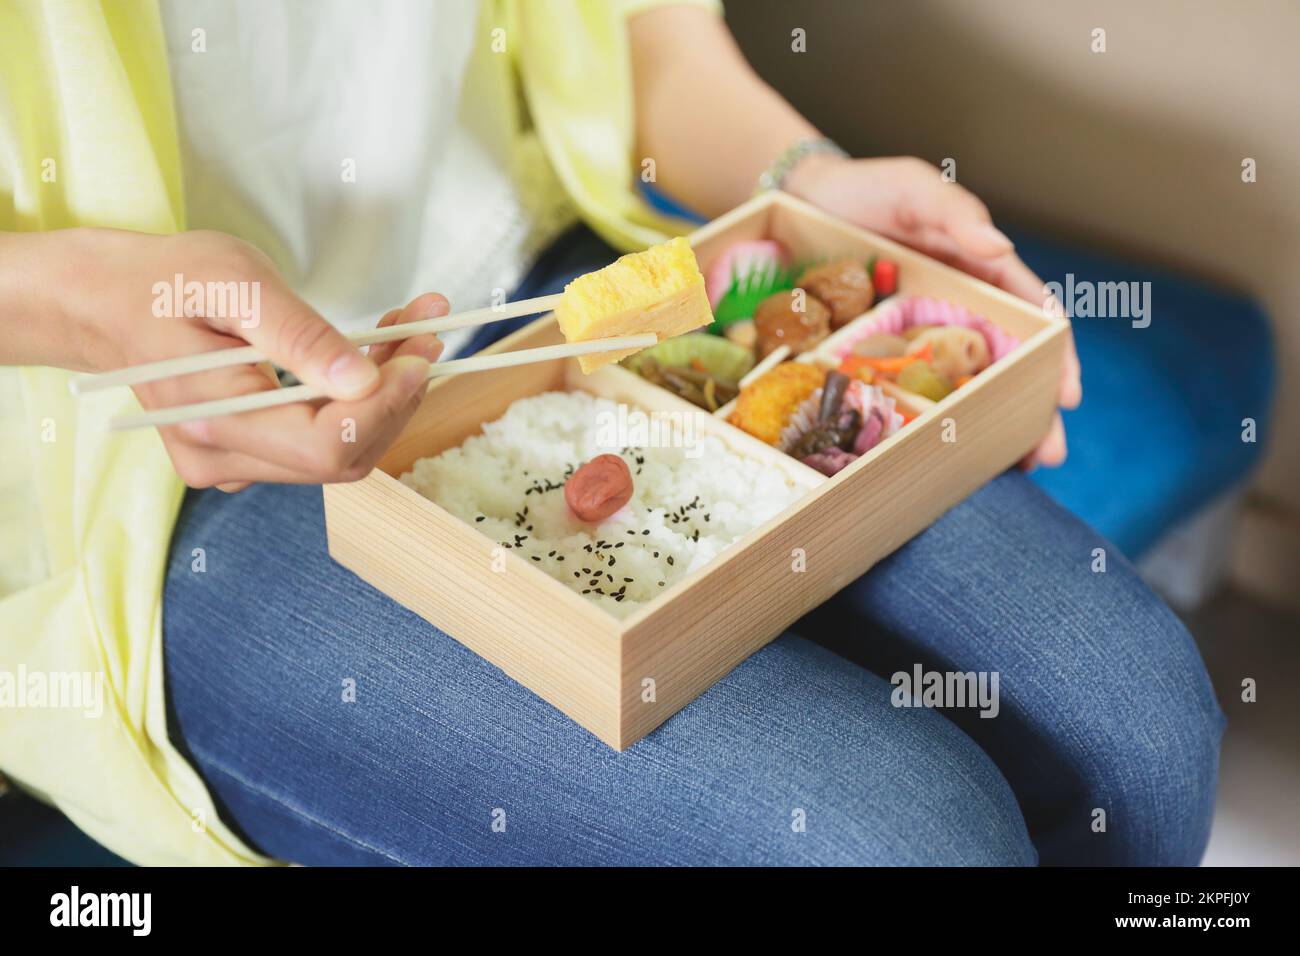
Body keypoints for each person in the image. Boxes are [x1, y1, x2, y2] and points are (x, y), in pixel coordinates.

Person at [0, 0, 1222, 865]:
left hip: (551, 284)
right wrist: (90, 302)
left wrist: (792, 171)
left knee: (1140, 725)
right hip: (152, 454)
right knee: (899, 836)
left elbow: (636, 33)